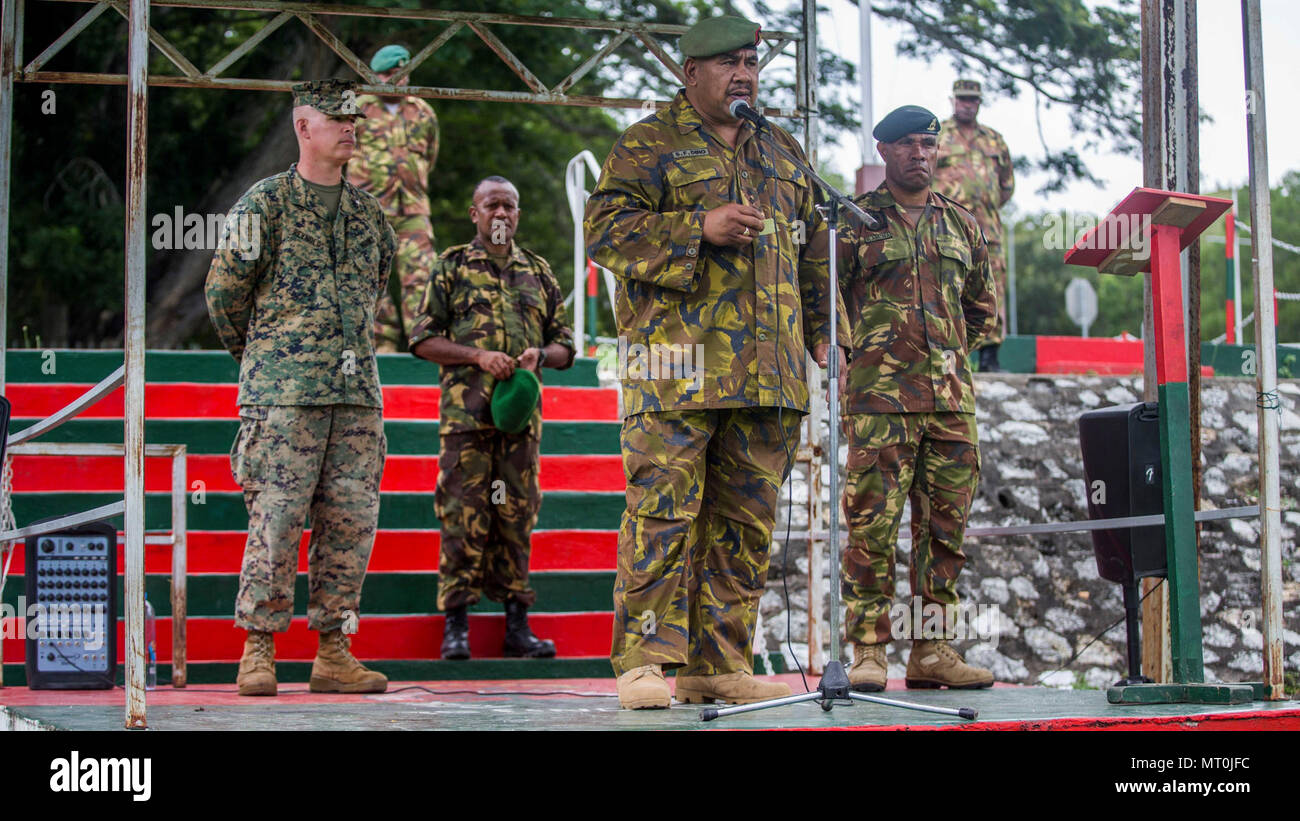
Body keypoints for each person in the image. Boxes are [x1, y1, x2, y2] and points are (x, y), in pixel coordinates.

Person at [585, 15, 847, 709]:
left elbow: (816, 246)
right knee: (664, 512)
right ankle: (645, 661)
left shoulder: (783, 150)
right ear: (688, 72)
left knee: (745, 520)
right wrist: (694, 228)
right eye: (728, 62)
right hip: (677, 368)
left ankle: (718, 660)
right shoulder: (648, 143)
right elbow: (604, 231)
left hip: (770, 370)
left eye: (751, 62)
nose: (744, 74)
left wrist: (825, 333)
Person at [206, 79, 396, 696]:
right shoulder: (264, 204)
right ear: (303, 125)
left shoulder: (371, 218)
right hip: (283, 396)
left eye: (354, 119)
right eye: (336, 118)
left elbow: (378, 289)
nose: (350, 127)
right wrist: (263, 360)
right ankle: (257, 649)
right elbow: (223, 294)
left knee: (350, 522)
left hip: (356, 398)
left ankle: (334, 652)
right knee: (276, 520)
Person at [837, 105, 998, 693]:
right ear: (884, 151)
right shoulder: (853, 223)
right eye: (906, 144)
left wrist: (944, 356)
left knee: (944, 532)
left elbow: (981, 309)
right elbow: (817, 297)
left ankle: (930, 650)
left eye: (928, 144)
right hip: (879, 403)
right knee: (872, 530)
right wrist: (860, 354)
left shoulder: (962, 225)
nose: (919, 154)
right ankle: (870, 651)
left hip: (951, 404)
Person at [408, 176, 575, 661]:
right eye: (491, 205)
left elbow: (566, 345)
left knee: (516, 514)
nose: (501, 214)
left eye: (509, 206)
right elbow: (422, 339)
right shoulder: (452, 266)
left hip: (520, 422)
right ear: (474, 213)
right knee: (463, 513)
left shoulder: (539, 273)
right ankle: (456, 625)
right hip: (467, 419)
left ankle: (516, 627)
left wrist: (539, 355)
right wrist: (477, 356)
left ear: (517, 215)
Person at [347, 44, 441, 353]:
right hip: (369, 210)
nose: (396, 81)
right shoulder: (356, 107)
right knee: (370, 278)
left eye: (402, 75)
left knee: (423, 276)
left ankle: (425, 345)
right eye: (389, 74)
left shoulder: (423, 111)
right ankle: (380, 350)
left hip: (412, 208)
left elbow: (430, 154)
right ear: (375, 75)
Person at [934, 79, 1014, 372]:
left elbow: (1007, 187)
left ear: (979, 103)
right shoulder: (938, 135)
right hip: (947, 228)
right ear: (953, 100)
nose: (967, 105)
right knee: (947, 288)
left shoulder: (994, 140)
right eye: (962, 99)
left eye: (973, 100)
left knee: (993, 289)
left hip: (987, 229)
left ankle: (991, 355)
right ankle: (951, 354)